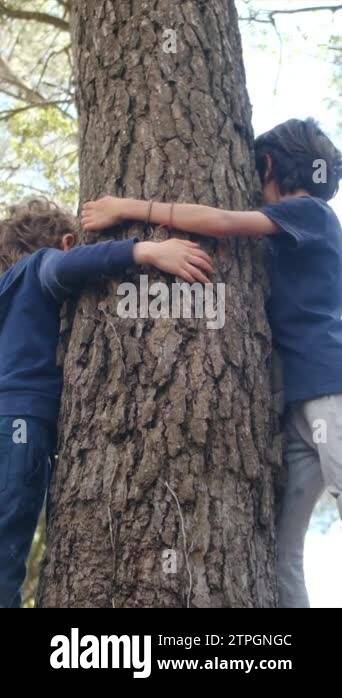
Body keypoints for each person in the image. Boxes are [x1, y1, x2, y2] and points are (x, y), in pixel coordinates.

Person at [82, 118, 342, 608]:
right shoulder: (297, 233)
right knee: (281, 555)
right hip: (299, 407)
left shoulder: (312, 213)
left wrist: (130, 209)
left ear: (267, 165)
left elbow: (224, 222)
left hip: (331, 388)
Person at [0, 197, 213, 608]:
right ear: (66, 242)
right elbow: (65, 267)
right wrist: (147, 250)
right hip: (17, 431)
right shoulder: (38, 268)